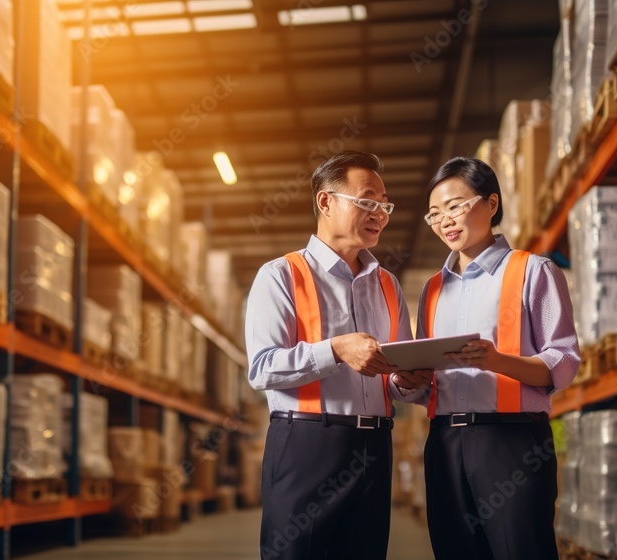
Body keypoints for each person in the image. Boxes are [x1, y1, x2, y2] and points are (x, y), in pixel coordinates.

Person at [245, 151, 433, 560]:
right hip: (307, 446)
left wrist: (408, 382)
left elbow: (394, 377)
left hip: (374, 448)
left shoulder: (387, 285)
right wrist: (335, 349)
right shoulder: (281, 275)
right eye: (367, 201)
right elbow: (261, 369)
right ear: (325, 202)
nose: (379, 214)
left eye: (384, 205)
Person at [399, 157, 580, 559]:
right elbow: (428, 379)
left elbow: (564, 362)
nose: (445, 220)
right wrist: (408, 382)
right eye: (434, 213)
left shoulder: (533, 272)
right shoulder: (431, 290)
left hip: (512, 441)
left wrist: (495, 361)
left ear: (491, 203)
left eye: (455, 205)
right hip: (444, 442)